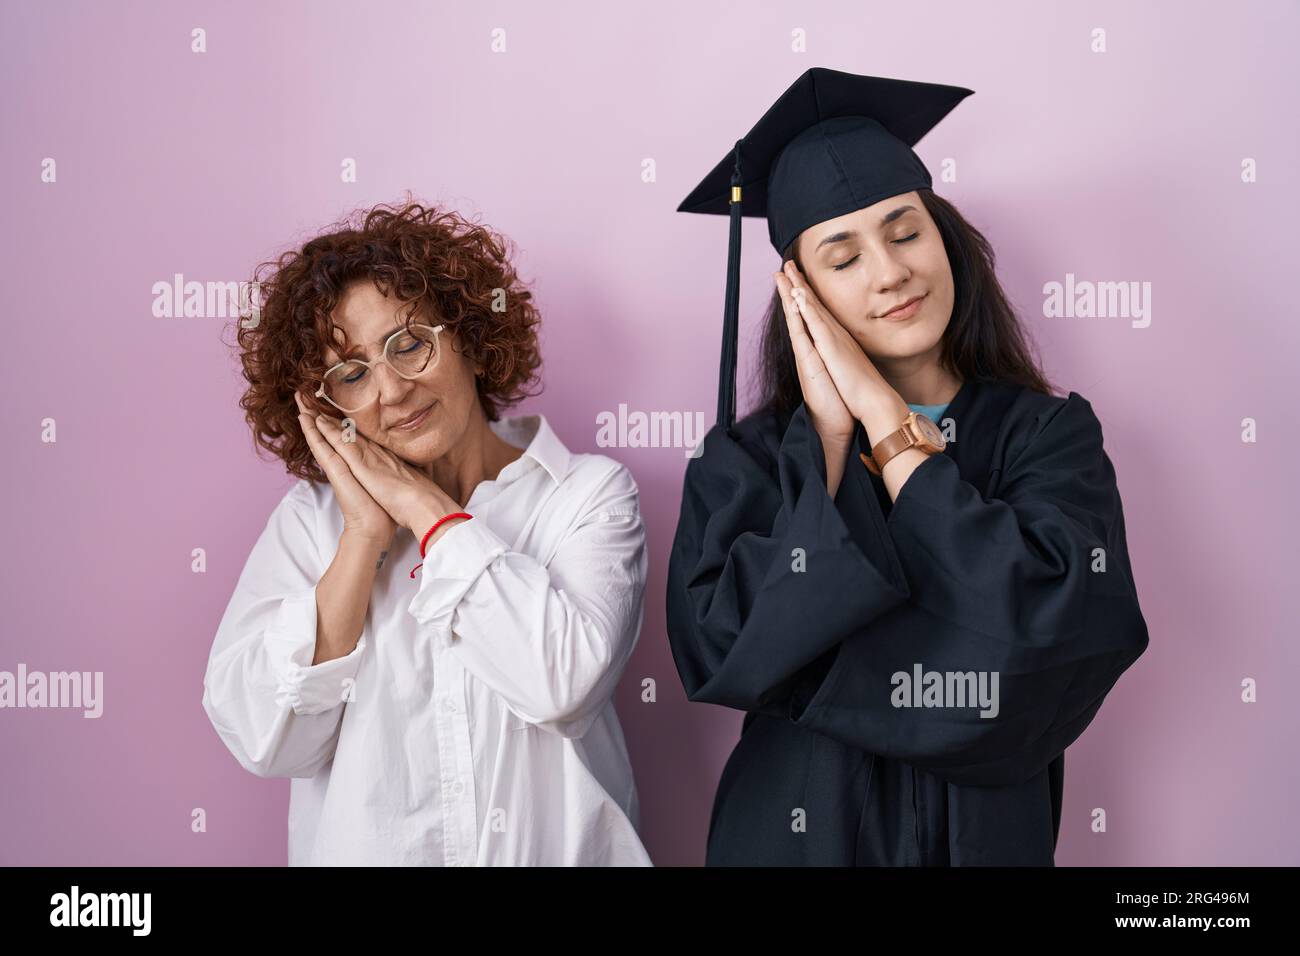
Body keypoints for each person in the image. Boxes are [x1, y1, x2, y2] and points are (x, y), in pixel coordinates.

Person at [666, 68, 1149, 865]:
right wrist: (827, 437)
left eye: (904, 230)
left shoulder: (1048, 436)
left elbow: (1059, 642)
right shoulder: (748, 461)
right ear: (801, 292)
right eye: (842, 255)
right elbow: (723, 653)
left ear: (944, 237)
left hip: (985, 841)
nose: (890, 273)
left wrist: (890, 432)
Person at [202, 198, 653, 866]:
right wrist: (362, 535)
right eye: (352, 374)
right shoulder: (311, 524)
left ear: (468, 333)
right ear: (327, 409)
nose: (391, 390)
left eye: (408, 344)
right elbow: (268, 740)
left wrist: (424, 509)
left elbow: (559, 687)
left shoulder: (587, 495)